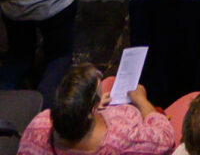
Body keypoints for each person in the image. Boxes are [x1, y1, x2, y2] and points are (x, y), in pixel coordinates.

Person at [15, 63, 176, 155]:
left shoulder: (39, 125)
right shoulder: (121, 138)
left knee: (109, 82)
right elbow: (166, 139)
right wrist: (142, 101)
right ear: (91, 111)